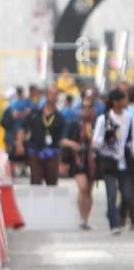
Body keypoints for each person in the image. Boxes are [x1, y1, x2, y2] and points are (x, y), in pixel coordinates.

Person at [90, 87, 132, 233]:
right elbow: (96, 141)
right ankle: (114, 224)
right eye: (123, 99)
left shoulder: (129, 118)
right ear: (115, 102)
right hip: (109, 160)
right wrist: (107, 140)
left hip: (125, 161)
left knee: (127, 194)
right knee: (111, 194)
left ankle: (120, 215)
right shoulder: (104, 119)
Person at [59, 89, 97, 230]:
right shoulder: (75, 122)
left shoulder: (98, 122)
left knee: (89, 190)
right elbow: (63, 140)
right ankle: (82, 218)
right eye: (84, 107)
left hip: (92, 160)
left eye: (89, 107)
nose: (86, 110)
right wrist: (73, 144)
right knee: (82, 187)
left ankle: (86, 218)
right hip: (77, 159)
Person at [15, 83, 64, 186]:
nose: (53, 96)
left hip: (52, 153)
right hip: (36, 151)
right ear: (46, 95)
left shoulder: (60, 117)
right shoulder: (35, 113)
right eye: (51, 93)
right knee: (36, 181)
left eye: (55, 94)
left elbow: (62, 138)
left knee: (52, 183)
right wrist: (19, 145)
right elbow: (22, 128)